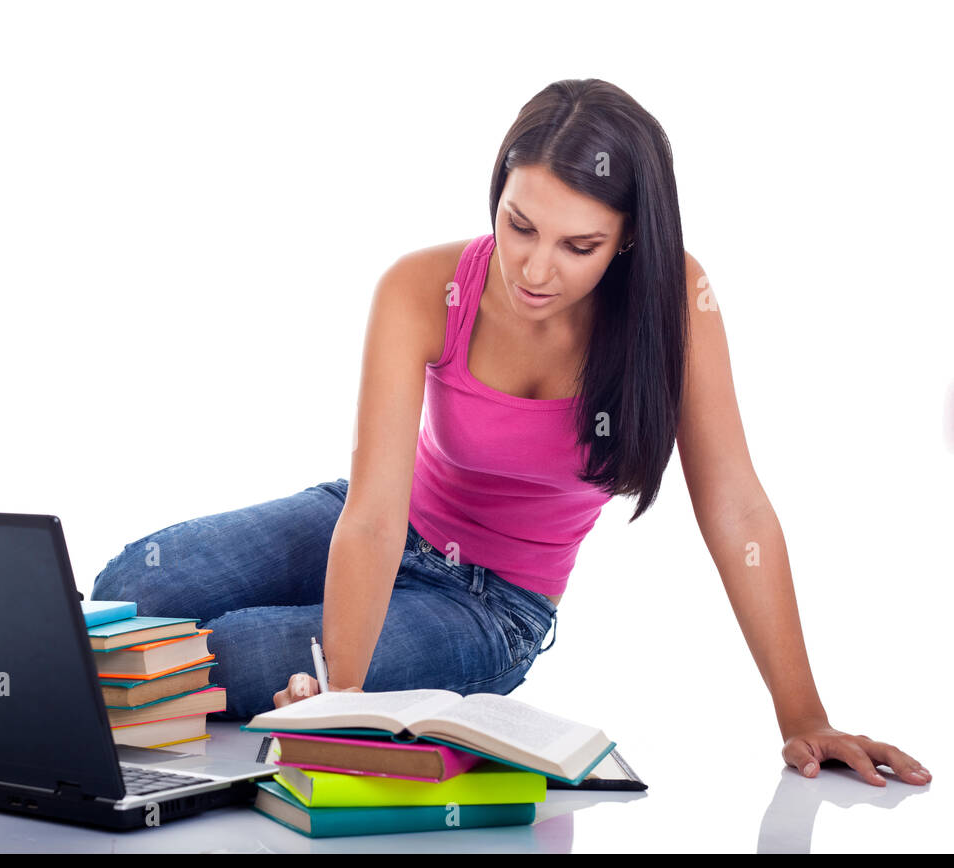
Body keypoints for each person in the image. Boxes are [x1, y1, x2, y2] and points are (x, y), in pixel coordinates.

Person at [91, 78, 929, 788]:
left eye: (579, 245)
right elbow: (376, 514)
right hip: (382, 524)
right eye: (519, 225)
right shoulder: (423, 288)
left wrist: (804, 714)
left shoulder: (675, 303)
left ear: (629, 238)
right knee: (136, 587)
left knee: (231, 657)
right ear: (497, 187)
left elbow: (737, 509)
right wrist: (346, 692)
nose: (534, 269)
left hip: (491, 603)